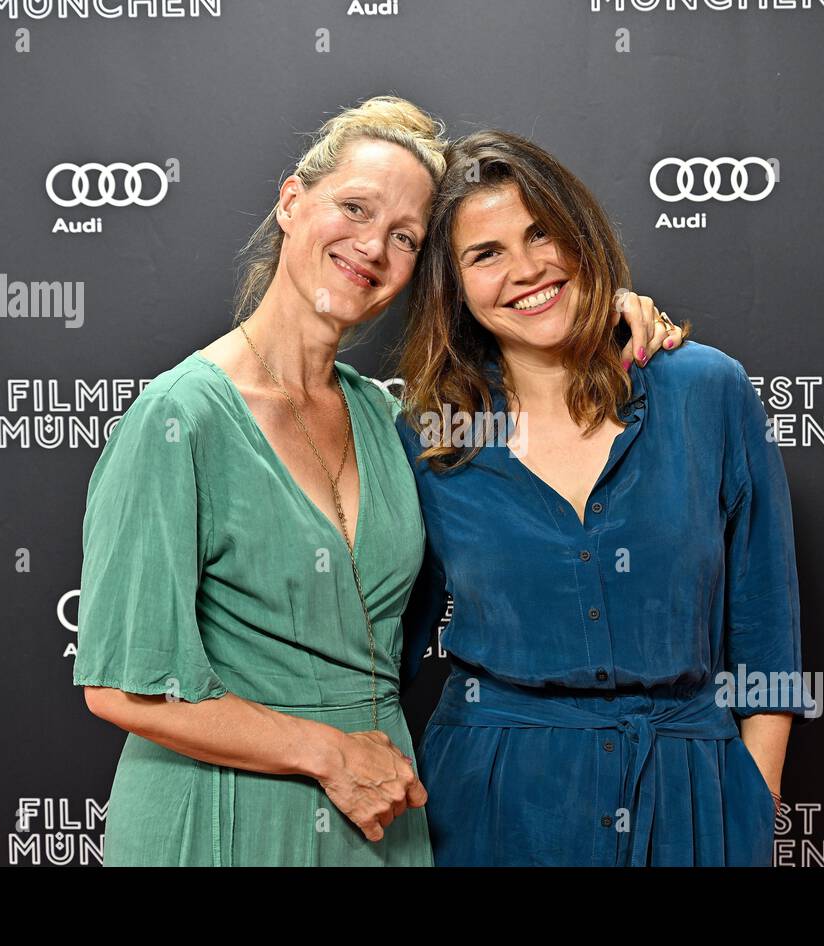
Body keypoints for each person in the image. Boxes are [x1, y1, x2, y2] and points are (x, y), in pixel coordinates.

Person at [73, 96, 683, 865]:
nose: (372, 247)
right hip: (223, 816)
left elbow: (531, 381)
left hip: (378, 820)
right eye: (354, 208)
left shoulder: (388, 419)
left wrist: (608, 314)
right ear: (293, 201)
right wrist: (327, 753)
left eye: (405, 237)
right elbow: (121, 688)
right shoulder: (179, 418)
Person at [395, 129, 808, 866]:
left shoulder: (706, 391)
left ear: (580, 236)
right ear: (453, 288)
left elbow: (765, 625)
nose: (526, 269)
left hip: (689, 795)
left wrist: (752, 801)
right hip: (492, 803)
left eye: (542, 233)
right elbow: (384, 650)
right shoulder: (432, 433)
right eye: (485, 255)